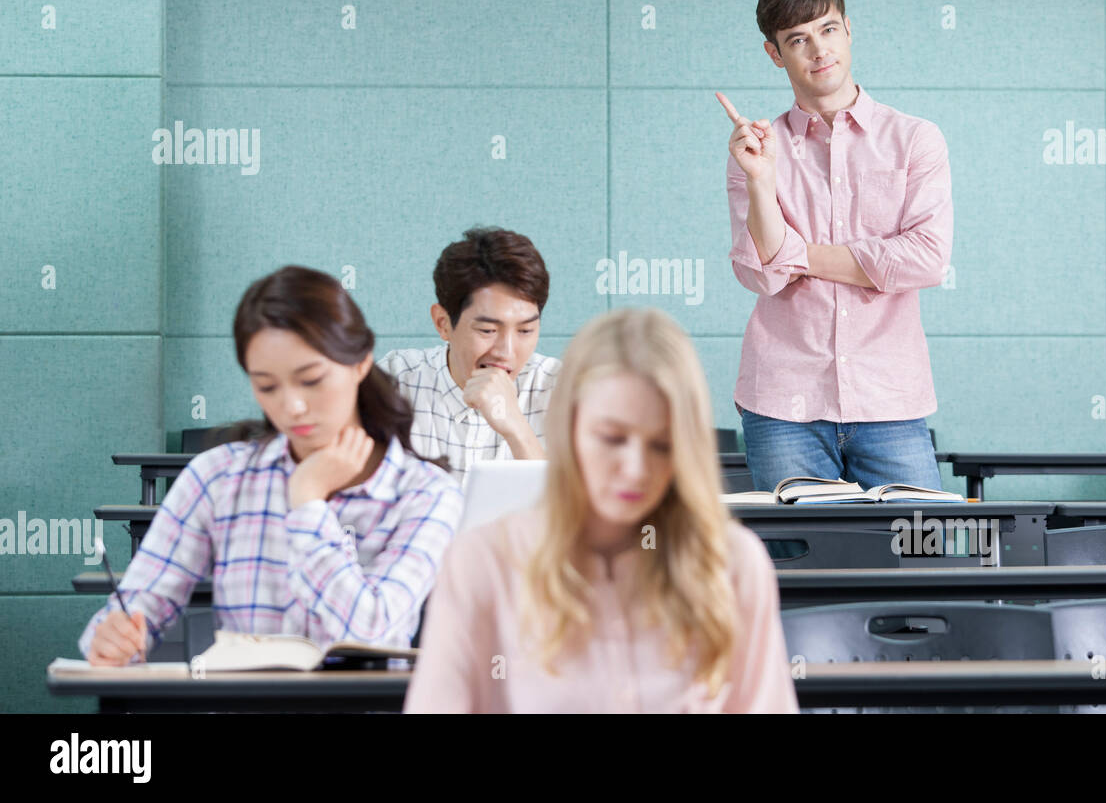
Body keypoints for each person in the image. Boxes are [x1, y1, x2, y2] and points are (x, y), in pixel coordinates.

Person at [403, 308, 798, 713]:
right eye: (611, 438)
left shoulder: (732, 563)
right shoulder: (484, 562)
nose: (634, 469)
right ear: (569, 425)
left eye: (661, 445)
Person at [80, 266, 464, 665]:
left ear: (360, 364)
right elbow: (137, 605)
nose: (292, 406)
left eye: (311, 379)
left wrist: (308, 504)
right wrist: (113, 635)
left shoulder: (427, 493)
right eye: (266, 386)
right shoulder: (218, 478)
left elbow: (370, 635)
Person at [718, 0, 954, 492]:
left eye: (826, 30)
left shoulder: (915, 139)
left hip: (889, 398)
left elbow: (927, 259)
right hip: (783, 404)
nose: (818, 50)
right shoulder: (757, 148)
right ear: (775, 54)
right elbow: (763, 276)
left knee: (925, 559)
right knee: (802, 568)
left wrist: (802, 255)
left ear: (848, 29)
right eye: (797, 39)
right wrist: (761, 181)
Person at [377, 227, 561, 481]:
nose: (506, 352)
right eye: (487, 330)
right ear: (443, 323)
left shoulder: (560, 389)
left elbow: (572, 517)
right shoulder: (395, 381)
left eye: (525, 330)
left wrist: (516, 428)